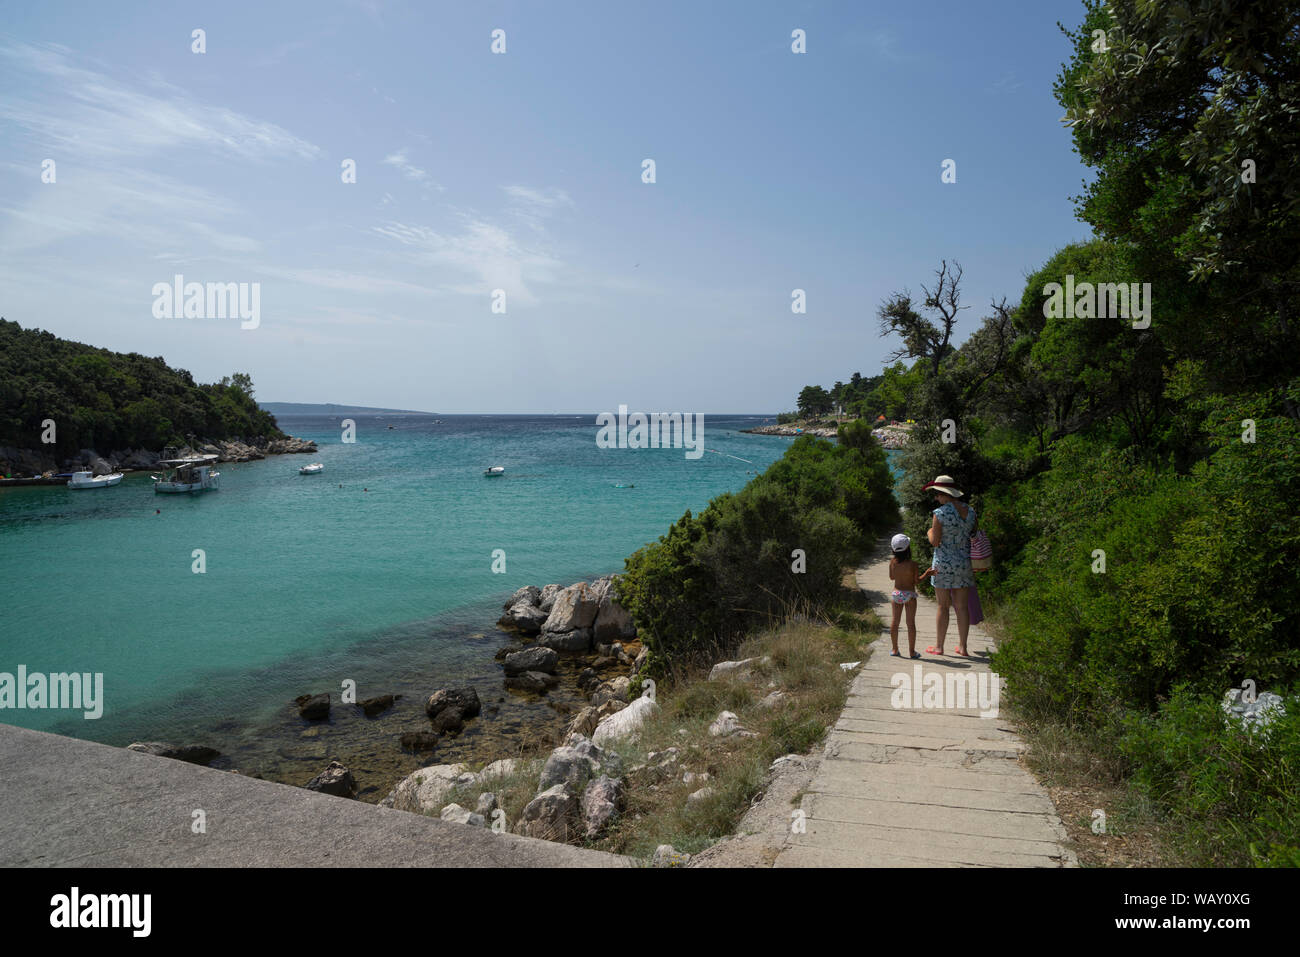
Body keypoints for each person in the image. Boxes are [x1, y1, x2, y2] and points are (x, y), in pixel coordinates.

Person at [922, 474, 977, 657]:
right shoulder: (970, 511)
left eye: (937, 494)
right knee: (962, 607)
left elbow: (935, 541)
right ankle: (963, 647)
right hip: (963, 563)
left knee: (942, 606)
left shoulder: (940, 513)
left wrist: (929, 531)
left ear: (945, 494)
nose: (936, 498)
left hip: (943, 565)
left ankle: (939, 647)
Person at [887, 534, 923, 659]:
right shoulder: (913, 564)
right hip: (909, 595)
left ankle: (895, 649)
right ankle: (912, 652)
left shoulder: (892, 562)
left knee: (895, 622)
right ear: (908, 548)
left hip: (896, 594)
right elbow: (916, 581)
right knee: (910, 623)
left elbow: (892, 577)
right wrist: (928, 573)